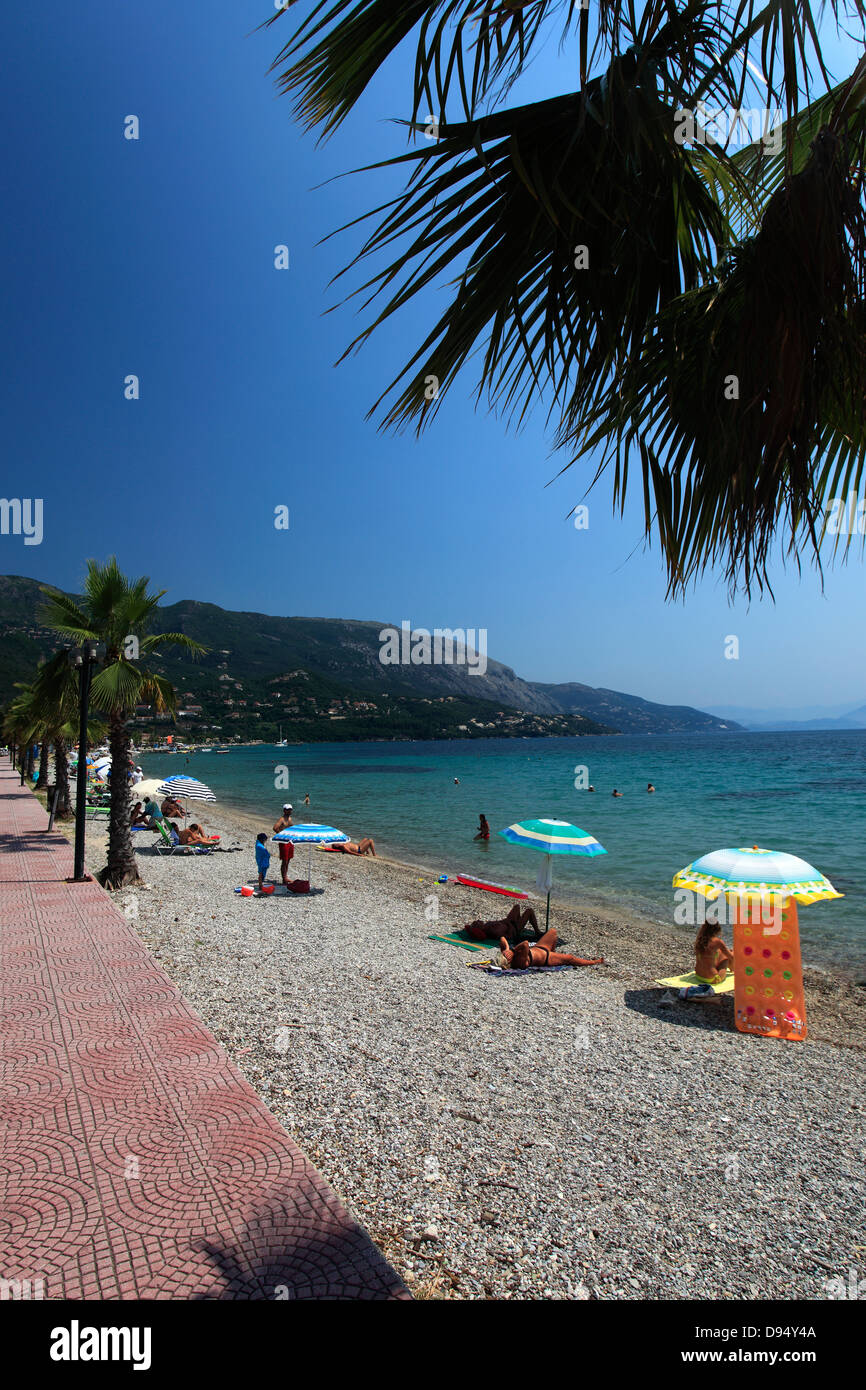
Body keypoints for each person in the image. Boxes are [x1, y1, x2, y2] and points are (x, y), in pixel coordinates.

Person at [500, 927, 604, 970]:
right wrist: (513, 951)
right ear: (509, 962)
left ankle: (554, 952)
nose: (507, 955)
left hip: (539, 947)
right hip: (547, 957)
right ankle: (593, 962)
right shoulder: (519, 962)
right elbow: (526, 944)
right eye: (507, 956)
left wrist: (507, 949)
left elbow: (502, 938)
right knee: (570, 958)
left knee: (553, 932)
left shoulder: (509, 954)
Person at [464, 903, 542, 944]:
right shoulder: (492, 930)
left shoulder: (487, 926)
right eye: (476, 923)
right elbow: (505, 929)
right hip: (514, 929)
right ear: (479, 928)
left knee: (517, 906)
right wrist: (508, 921)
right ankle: (537, 932)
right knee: (529, 911)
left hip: (509, 923)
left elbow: (503, 924)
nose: (477, 920)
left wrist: (507, 921)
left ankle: (520, 920)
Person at [693, 919, 734, 984]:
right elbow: (731, 957)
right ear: (717, 928)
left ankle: (732, 968)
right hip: (712, 979)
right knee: (727, 958)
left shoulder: (699, 940)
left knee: (721, 953)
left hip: (698, 976)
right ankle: (733, 969)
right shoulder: (717, 942)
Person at [273, 804, 294, 885]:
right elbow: (275, 828)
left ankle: (285, 877)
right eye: (287, 809)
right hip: (283, 842)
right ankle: (284, 879)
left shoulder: (289, 818)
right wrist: (281, 836)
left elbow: (292, 827)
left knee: (288, 860)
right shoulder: (282, 819)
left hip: (290, 841)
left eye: (290, 809)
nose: (289, 811)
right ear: (284, 810)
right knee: (284, 861)